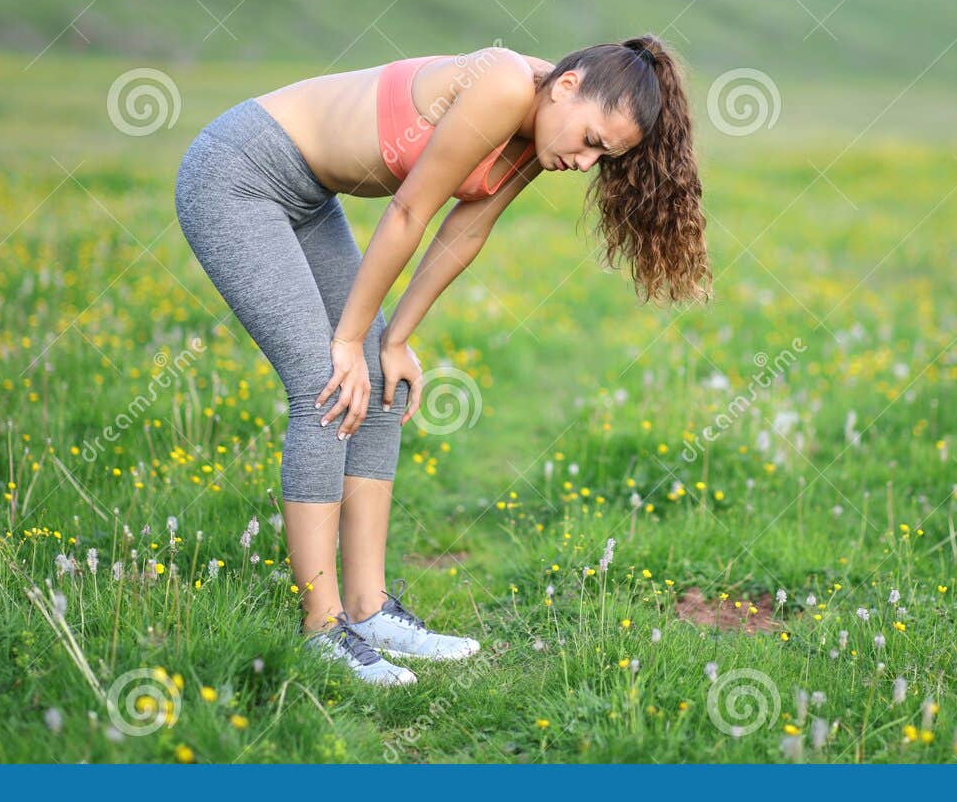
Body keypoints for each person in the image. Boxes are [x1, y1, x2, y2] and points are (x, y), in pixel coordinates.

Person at [173, 36, 710, 684]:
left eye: (603, 157)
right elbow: (409, 210)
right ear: (566, 87)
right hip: (239, 177)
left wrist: (393, 340)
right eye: (593, 140)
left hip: (309, 199)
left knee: (380, 380)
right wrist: (349, 340)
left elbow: (465, 231)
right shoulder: (507, 84)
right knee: (327, 381)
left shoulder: (537, 135)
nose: (585, 160)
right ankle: (320, 629)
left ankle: (367, 611)